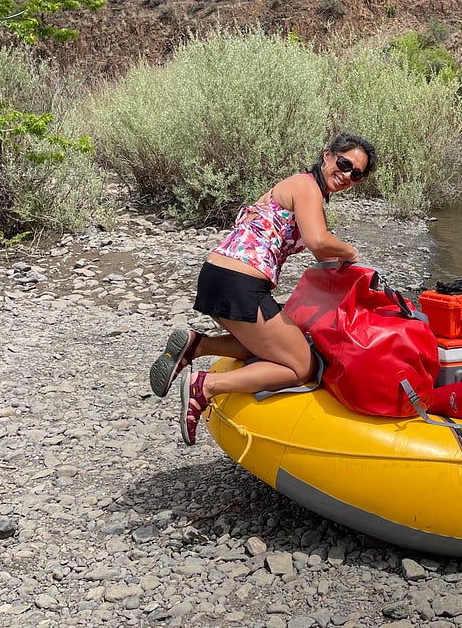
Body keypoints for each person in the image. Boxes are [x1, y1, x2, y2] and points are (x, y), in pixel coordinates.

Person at [149, 133, 377, 444]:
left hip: (218, 274)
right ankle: (204, 386)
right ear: (327, 156)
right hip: (240, 283)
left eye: (356, 173)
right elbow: (318, 241)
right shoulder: (306, 186)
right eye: (344, 163)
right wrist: (351, 252)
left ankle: (196, 346)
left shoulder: (303, 189)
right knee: (300, 366)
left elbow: (321, 254)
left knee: (263, 345)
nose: (347, 174)